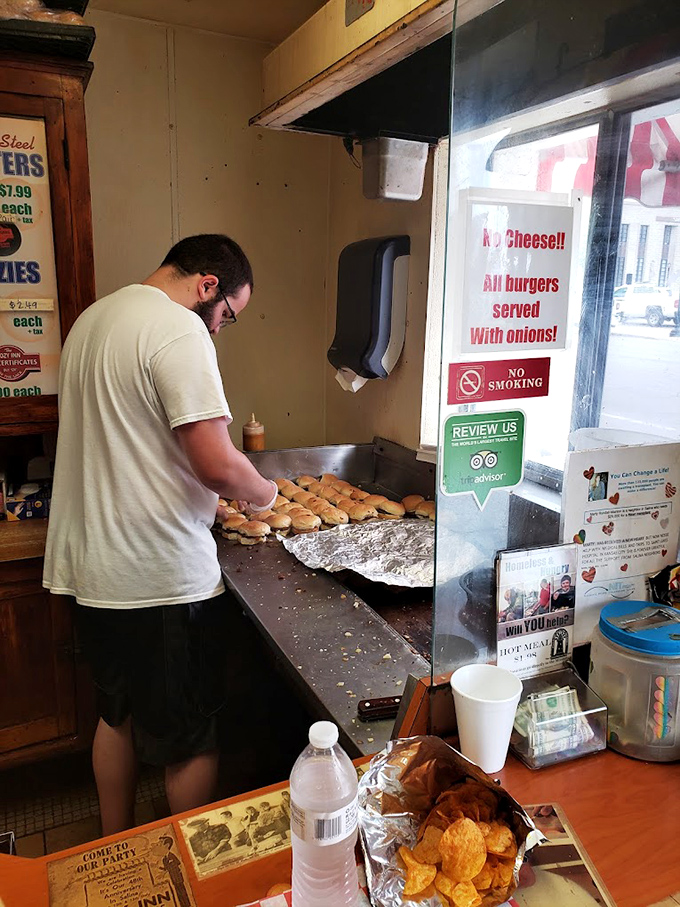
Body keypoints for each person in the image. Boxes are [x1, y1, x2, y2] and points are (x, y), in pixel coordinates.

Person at [43, 234, 278, 835]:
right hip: (159, 577)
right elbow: (215, 461)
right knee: (191, 740)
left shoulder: (92, 321)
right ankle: (195, 877)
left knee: (114, 717)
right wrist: (266, 494)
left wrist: (210, 500)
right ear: (207, 287)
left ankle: (115, 849)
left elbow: (135, 447)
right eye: (227, 314)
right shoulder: (179, 330)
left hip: (93, 571)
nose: (221, 329)